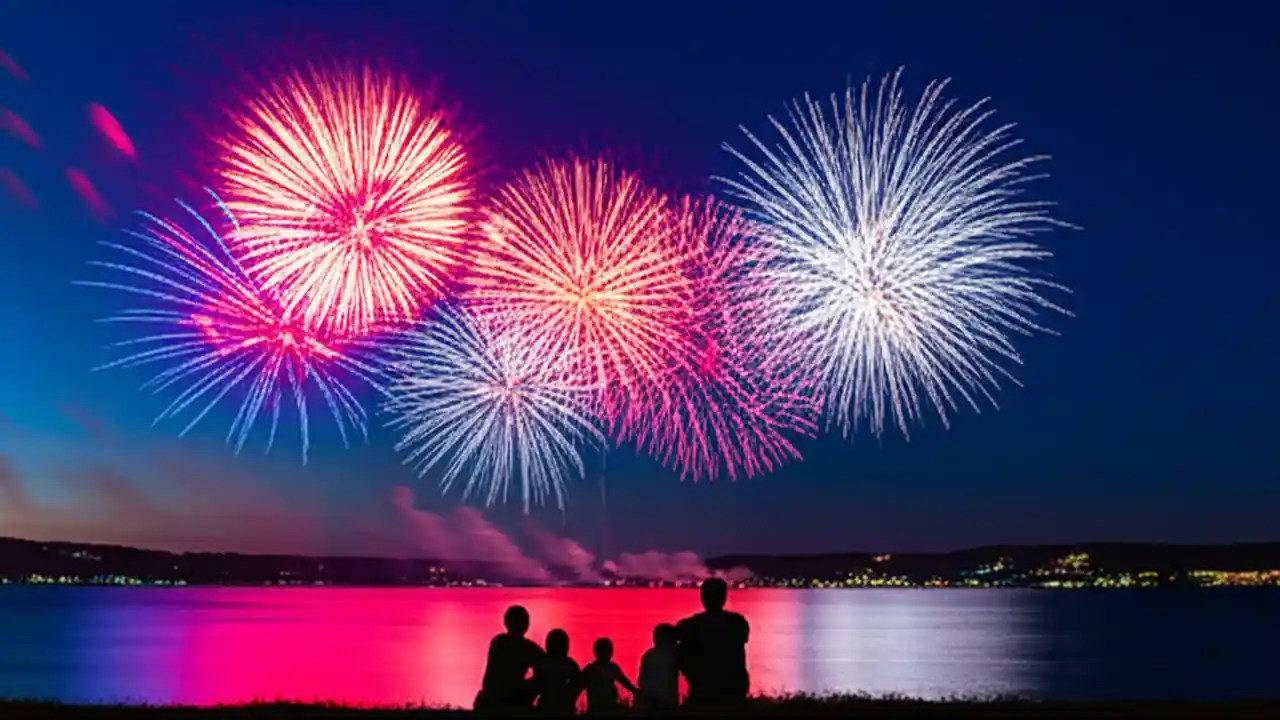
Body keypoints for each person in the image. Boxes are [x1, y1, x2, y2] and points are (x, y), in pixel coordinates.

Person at [676, 577, 750, 706]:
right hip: (734, 687)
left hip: (702, 689)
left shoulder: (688, 625)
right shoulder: (738, 622)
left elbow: (680, 656)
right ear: (724, 597)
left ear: (703, 598)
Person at [475, 605, 544, 713]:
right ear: (526, 625)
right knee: (541, 678)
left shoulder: (497, 641)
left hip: (490, 694)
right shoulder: (526, 647)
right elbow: (546, 663)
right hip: (508, 695)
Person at [579, 637, 637, 715]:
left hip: (604, 709)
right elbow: (626, 683)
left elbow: (625, 682)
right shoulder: (593, 669)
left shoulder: (591, 669)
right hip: (600, 710)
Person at [534, 628, 581, 716]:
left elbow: (537, 683)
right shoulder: (570, 665)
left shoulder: (542, 663)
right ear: (566, 646)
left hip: (545, 706)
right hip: (565, 707)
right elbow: (578, 684)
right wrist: (570, 697)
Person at [637, 623, 680, 712]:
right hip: (661, 704)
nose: (674, 643)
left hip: (658, 704)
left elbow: (641, 680)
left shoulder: (649, 656)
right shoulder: (671, 656)